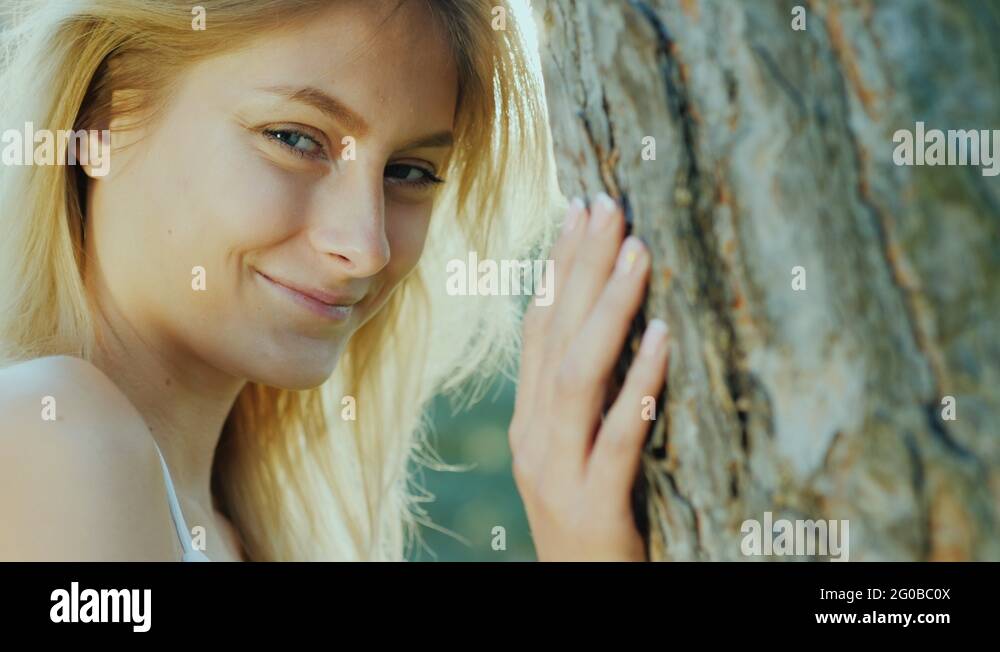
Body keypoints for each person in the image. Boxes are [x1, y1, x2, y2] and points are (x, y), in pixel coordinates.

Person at [0, 0, 668, 561]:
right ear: (103, 119)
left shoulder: (234, 524)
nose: (366, 245)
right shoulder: (50, 433)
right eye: (293, 138)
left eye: (409, 172)